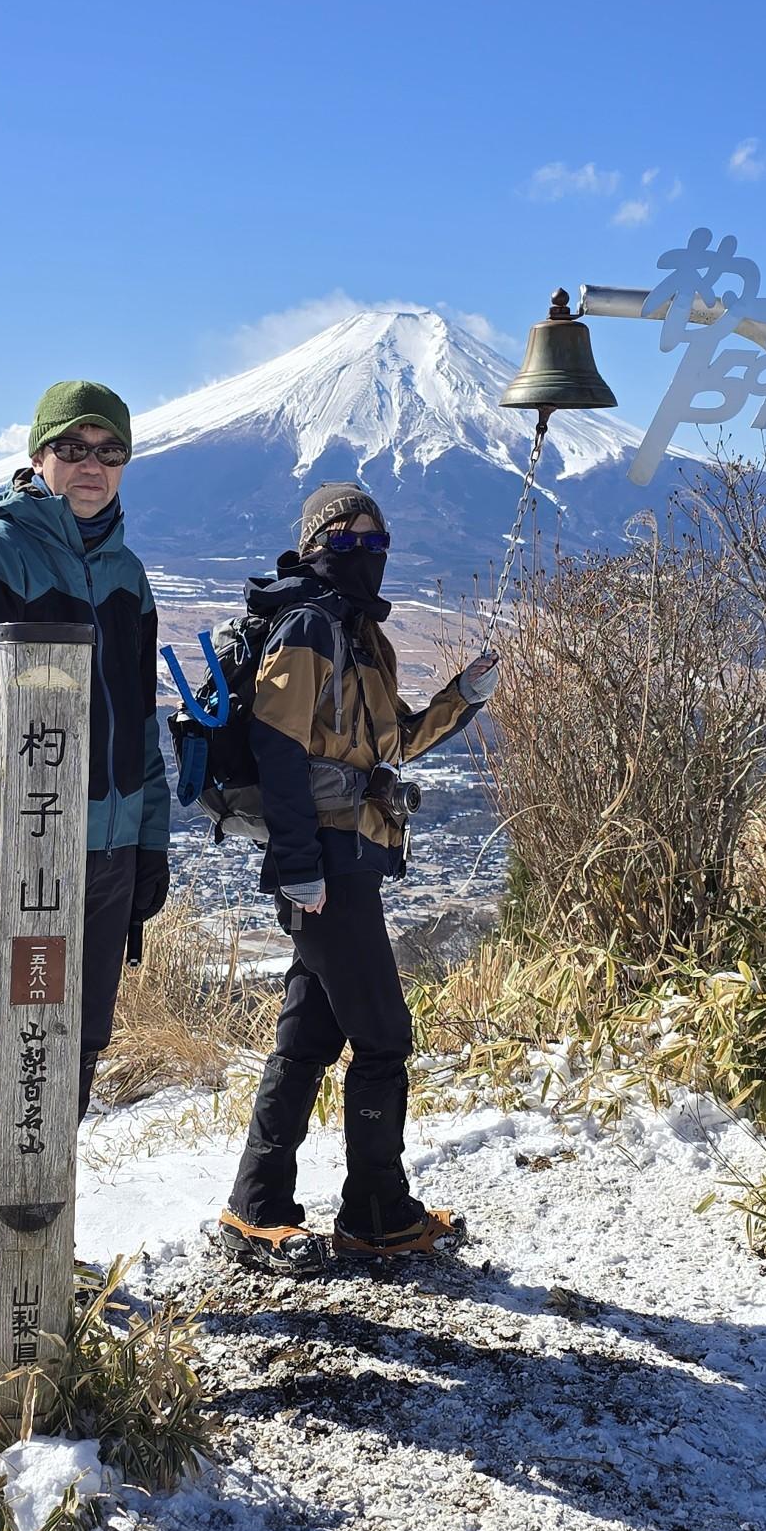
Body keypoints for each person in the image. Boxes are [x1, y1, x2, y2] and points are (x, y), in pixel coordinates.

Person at [0, 379, 171, 1335]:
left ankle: (34, 1236)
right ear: (39, 457)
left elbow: (139, 720)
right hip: (25, 859)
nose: (94, 466)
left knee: (76, 1052)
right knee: (2, 1059)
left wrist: (148, 839)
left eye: (112, 451)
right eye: (76, 448)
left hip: (105, 856)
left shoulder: (129, 574)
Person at [217, 481, 500, 1271]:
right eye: (349, 543)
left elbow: (394, 743)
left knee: (309, 1037)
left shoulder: (360, 635)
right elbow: (278, 748)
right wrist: (299, 867)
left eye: (377, 545)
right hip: (325, 860)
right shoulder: (309, 626)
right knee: (383, 1037)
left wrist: (463, 698)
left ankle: (256, 1207)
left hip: (353, 855)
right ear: (315, 546)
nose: (365, 557)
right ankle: (377, 1213)